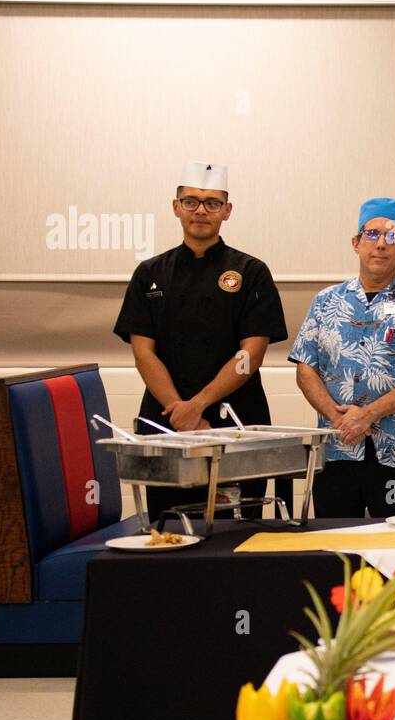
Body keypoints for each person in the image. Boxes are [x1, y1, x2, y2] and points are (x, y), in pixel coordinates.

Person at [114, 161, 287, 518]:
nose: (201, 211)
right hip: (166, 424)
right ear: (175, 207)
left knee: (238, 537)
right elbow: (144, 353)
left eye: (211, 202)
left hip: (235, 422)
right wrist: (181, 413)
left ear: (227, 210)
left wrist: (198, 407)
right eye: (191, 201)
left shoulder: (251, 272)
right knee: (168, 531)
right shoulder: (149, 273)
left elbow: (249, 355)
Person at [288, 198, 395, 518]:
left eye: (392, 237)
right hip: (336, 450)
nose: (381, 245)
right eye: (372, 234)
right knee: (335, 548)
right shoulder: (325, 302)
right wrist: (341, 419)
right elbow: (306, 368)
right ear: (356, 243)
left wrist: (366, 415)